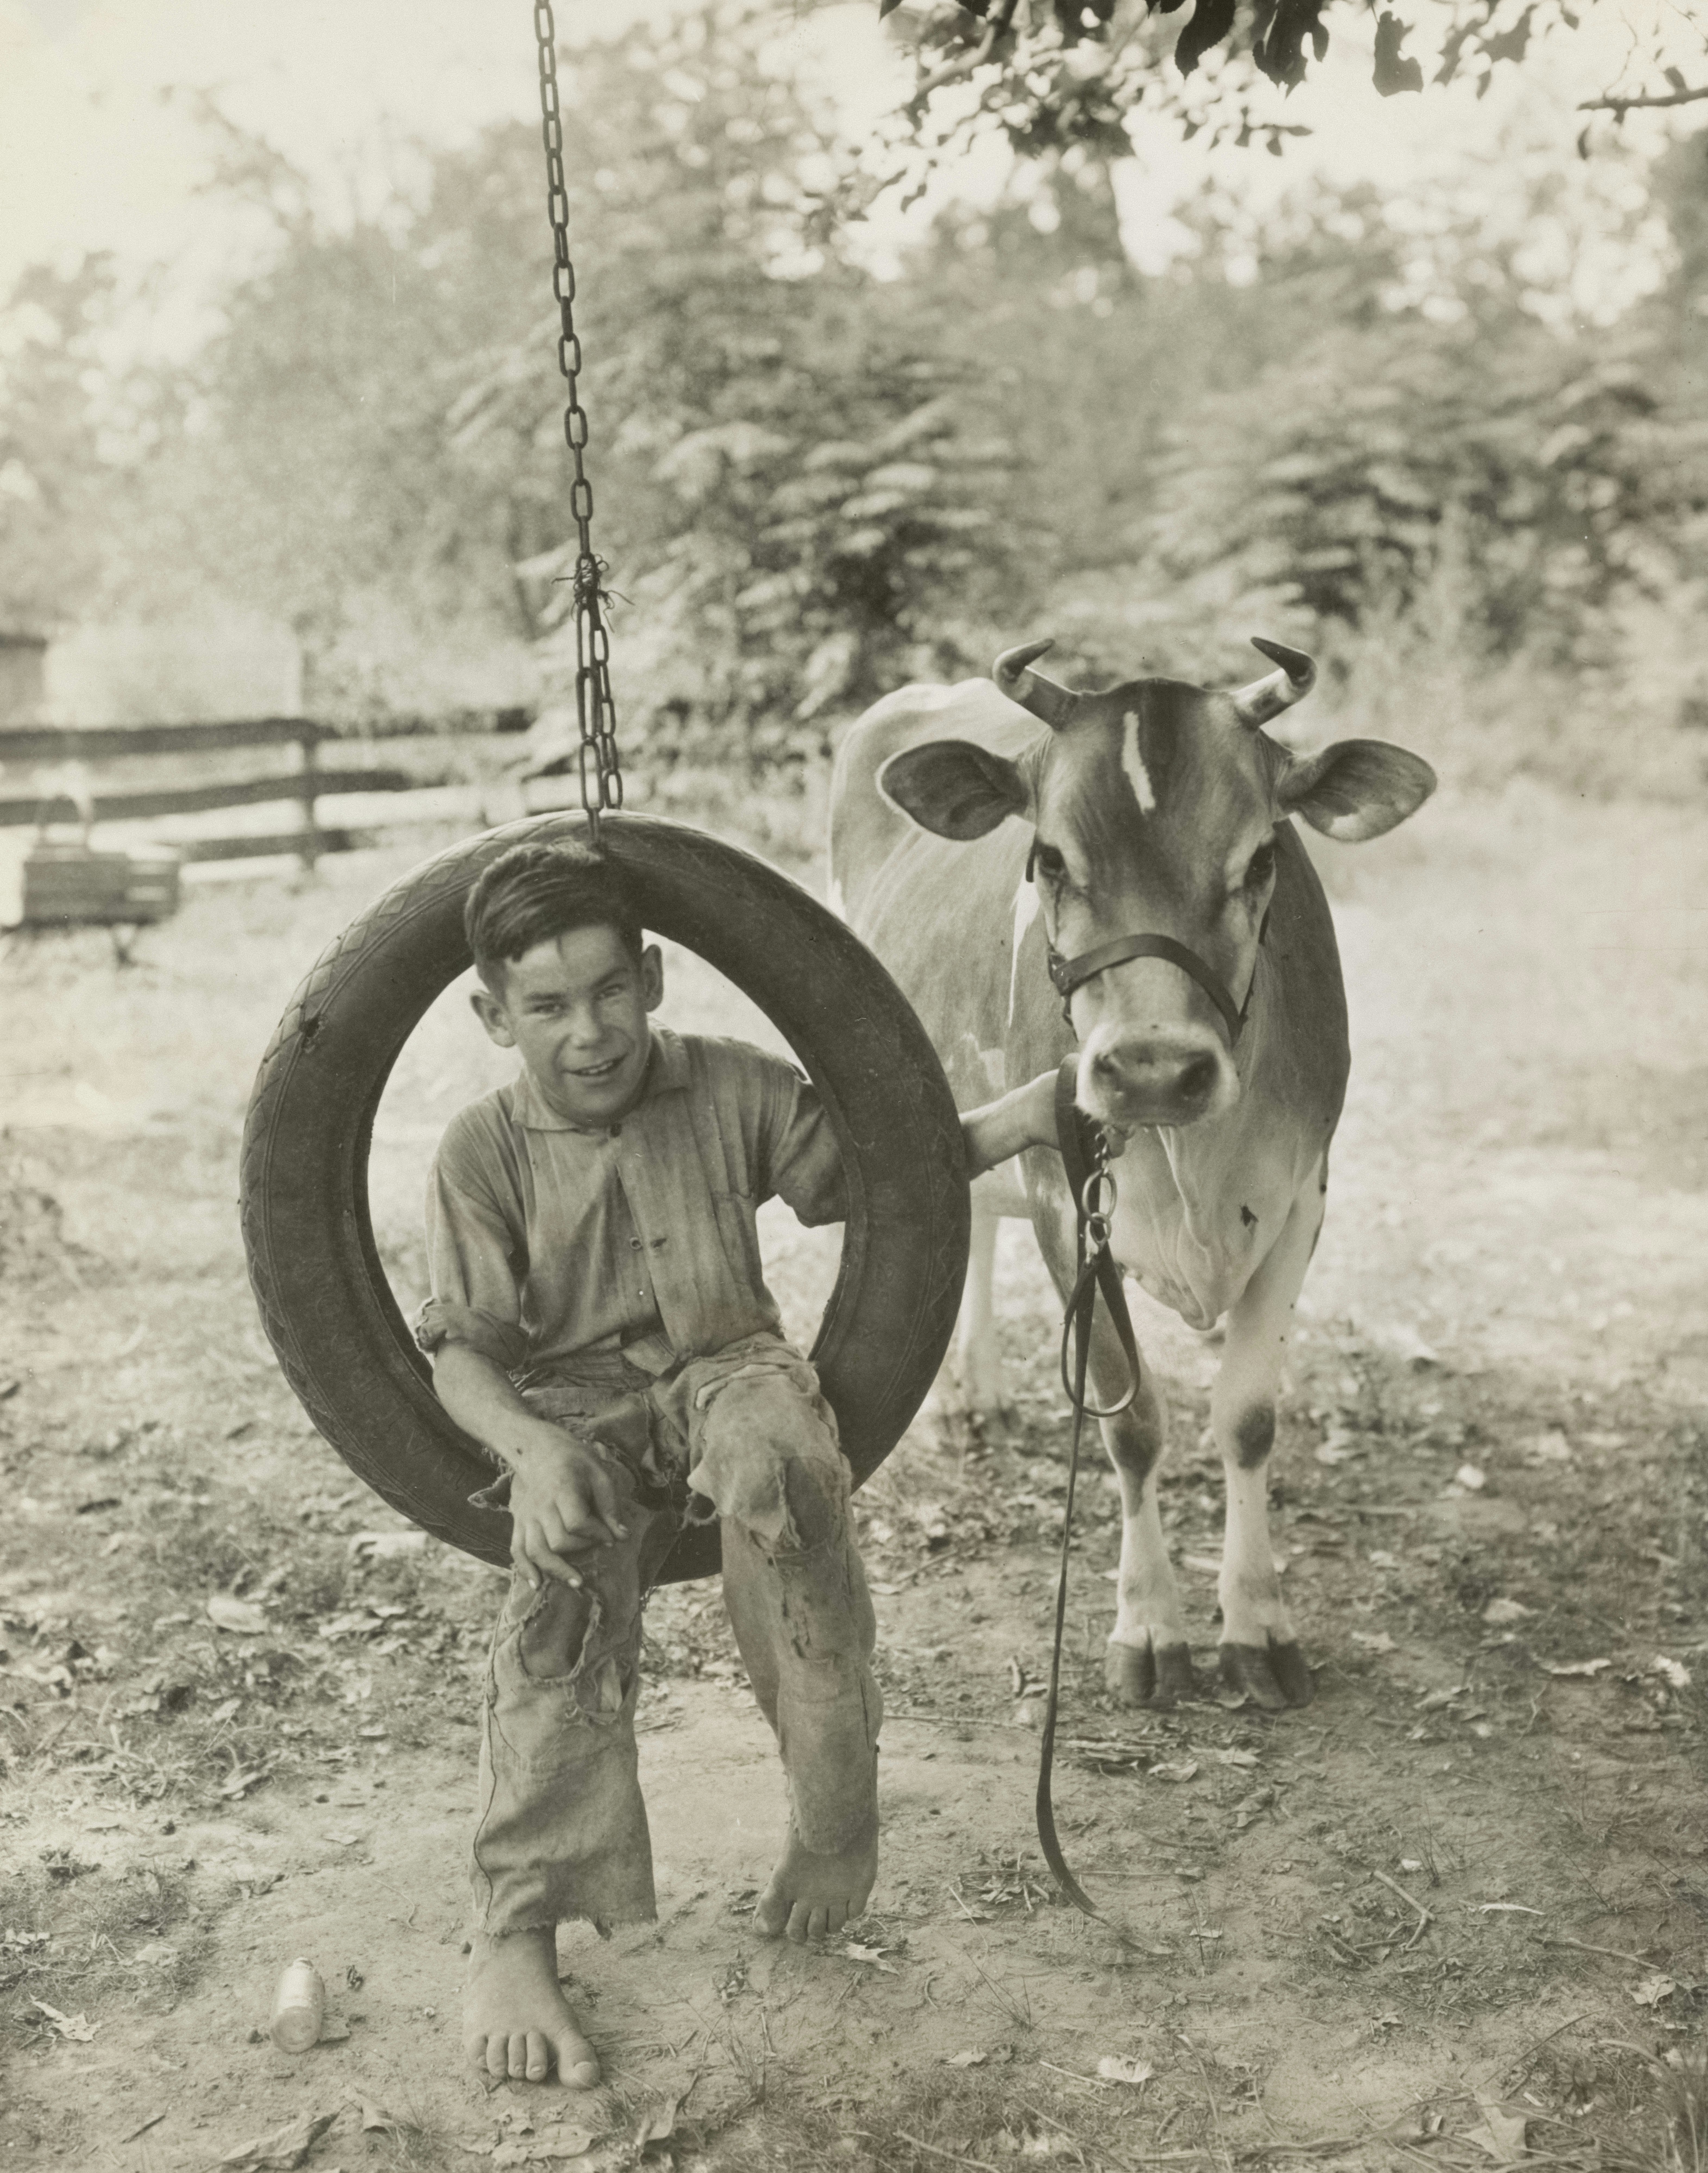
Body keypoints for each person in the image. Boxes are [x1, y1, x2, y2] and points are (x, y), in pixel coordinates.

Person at [414, 840, 1062, 2089]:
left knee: (787, 1475)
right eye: (546, 1006)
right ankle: (516, 1927)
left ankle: (832, 1819)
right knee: (561, 1586)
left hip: (727, 1366)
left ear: (654, 976)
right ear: (496, 1015)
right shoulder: (481, 1151)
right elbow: (460, 1354)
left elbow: (885, 1174)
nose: (589, 1031)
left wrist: (1031, 1113)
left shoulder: (729, 1087)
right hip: (577, 1403)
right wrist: (535, 1446)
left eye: (609, 991)